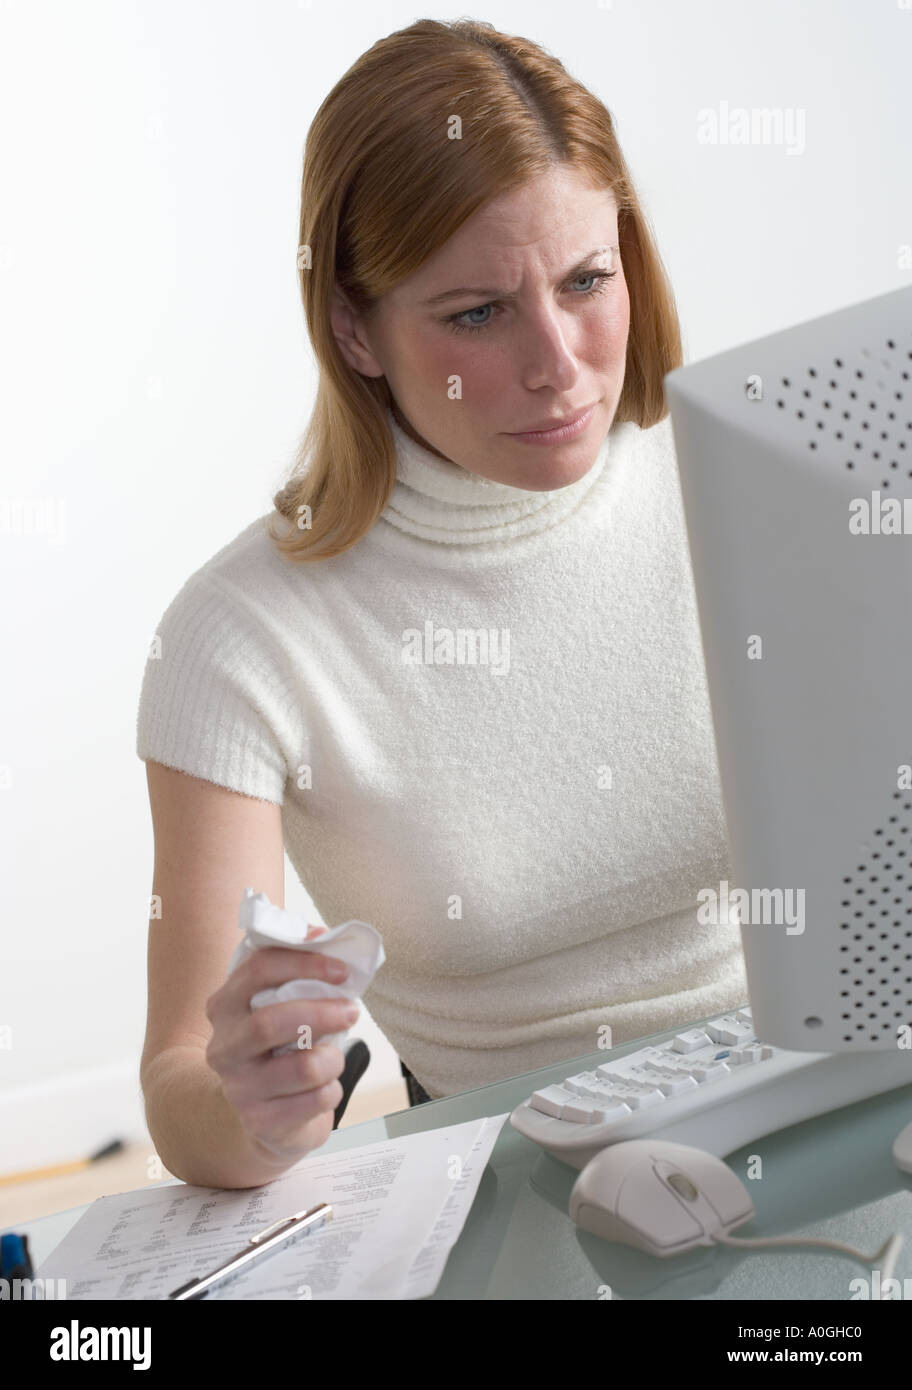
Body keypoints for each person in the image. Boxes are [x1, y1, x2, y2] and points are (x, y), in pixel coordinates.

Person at [136, 17, 748, 1190]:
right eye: (476, 314)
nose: (559, 363)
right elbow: (182, 1085)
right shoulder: (241, 636)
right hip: (519, 1181)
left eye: (587, 281)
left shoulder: (745, 482)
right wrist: (258, 1106)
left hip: (828, 1096)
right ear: (354, 330)